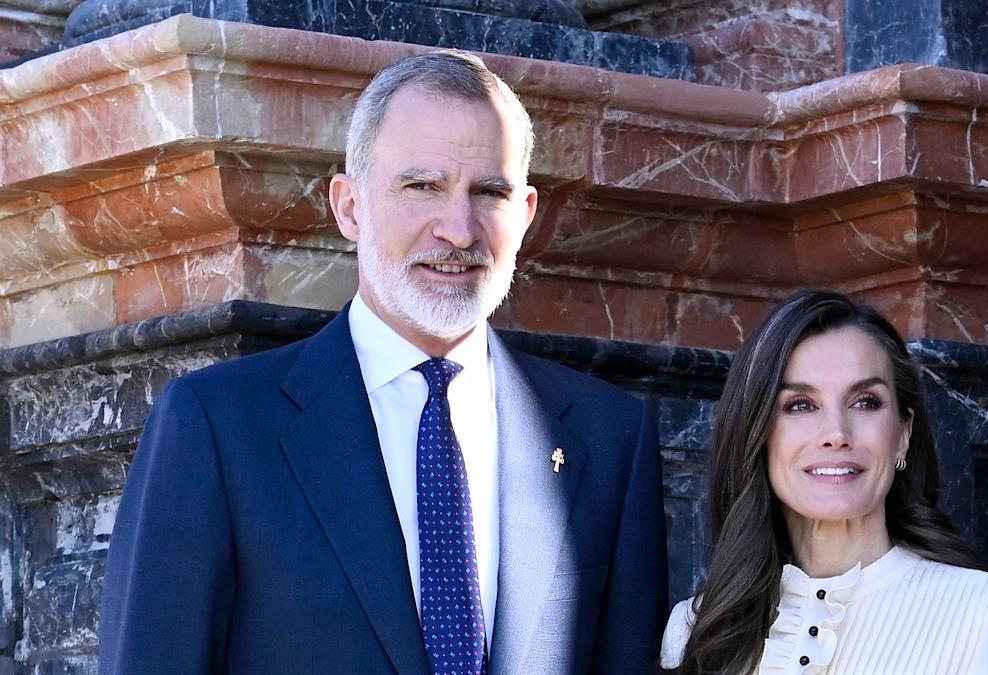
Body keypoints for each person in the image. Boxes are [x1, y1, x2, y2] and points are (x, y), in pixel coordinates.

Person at [99, 50, 667, 675]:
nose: (459, 230)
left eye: (490, 192)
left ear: (526, 215)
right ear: (349, 207)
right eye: (422, 186)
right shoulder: (218, 426)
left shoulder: (609, 439)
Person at [660, 290, 988, 674]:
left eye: (865, 402)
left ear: (903, 433)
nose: (836, 433)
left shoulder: (984, 613)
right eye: (800, 405)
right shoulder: (695, 628)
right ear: (756, 434)